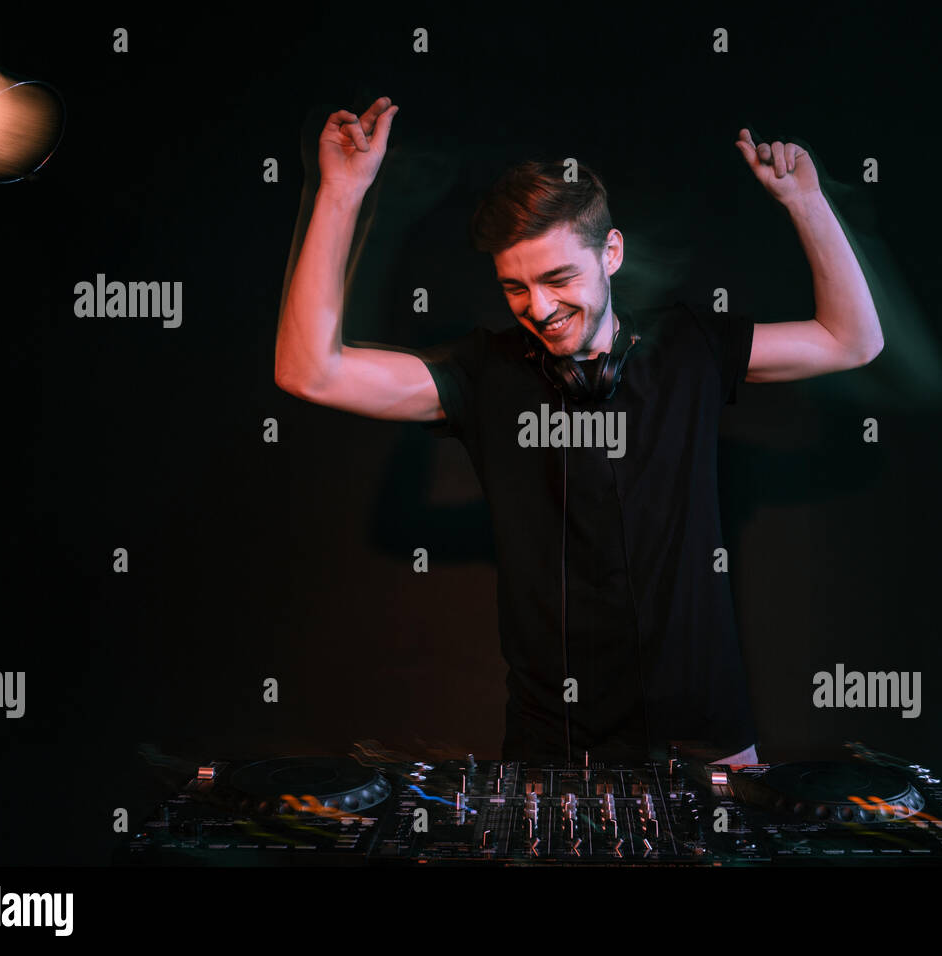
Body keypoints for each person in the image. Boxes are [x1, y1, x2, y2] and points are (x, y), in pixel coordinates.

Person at [274, 96, 884, 767]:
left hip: (709, 733)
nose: (538, 307)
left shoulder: (690, 348)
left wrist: (807, 203)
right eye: (515, 288)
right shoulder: (486, 375)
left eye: (558, 278)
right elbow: (311, 372)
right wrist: (341, 191)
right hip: (553, 744)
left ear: (611, 254)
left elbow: (850, 340)